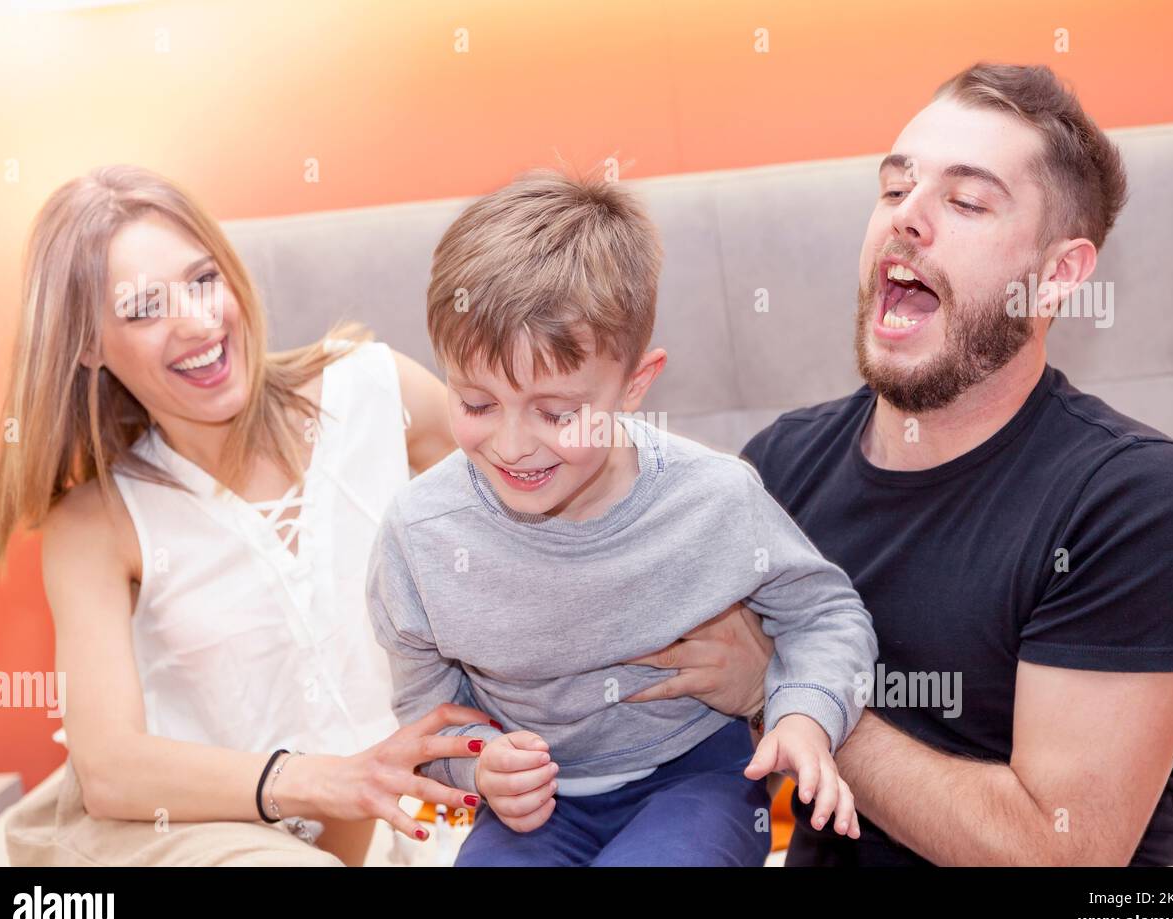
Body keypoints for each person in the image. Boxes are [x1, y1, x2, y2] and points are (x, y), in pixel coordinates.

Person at [728, 63, 1173, 865]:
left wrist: (778, 693)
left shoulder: (1135, 499)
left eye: (965, 201)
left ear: (1057, 276)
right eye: (894, 189)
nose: (907, 220)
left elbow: (1059, 854)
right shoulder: (778, 468)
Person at [0, 165, 493, 866]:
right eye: (143, 308)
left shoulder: (376, 393)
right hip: (205, 826)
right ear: (88, 346)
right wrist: (322, 781)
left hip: (406, 802)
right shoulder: (96, 524)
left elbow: (543, 495)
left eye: (203, 279)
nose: (197, 321)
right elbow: (111, 769)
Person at [365, 169, 879, 866]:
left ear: (635, 384)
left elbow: (825, 615)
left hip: (695, 775)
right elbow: (430, 707)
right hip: (537, 805)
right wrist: (480, 765)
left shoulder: (712, 498)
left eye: (556, 412)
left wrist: (803, 714)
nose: (512, 445)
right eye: (477, 404)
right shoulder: (420, 535)